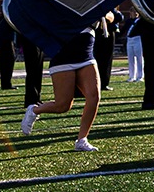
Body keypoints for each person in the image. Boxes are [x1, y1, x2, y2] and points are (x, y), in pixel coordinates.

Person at [20, 23, 103, 151]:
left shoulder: (91, 3)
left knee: (94, 96)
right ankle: (34, 110)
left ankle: (82, 140)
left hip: (86, 53)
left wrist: (101, 15)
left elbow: (111, 16)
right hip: (63, 55)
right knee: (63, 105)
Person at [0, 10, 17, 92]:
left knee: (4, 65)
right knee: (8, 64)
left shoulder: (1, 20)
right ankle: (7, 83)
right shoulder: (6, 20)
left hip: (3, 43)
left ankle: (5, 83)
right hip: (7, 43)